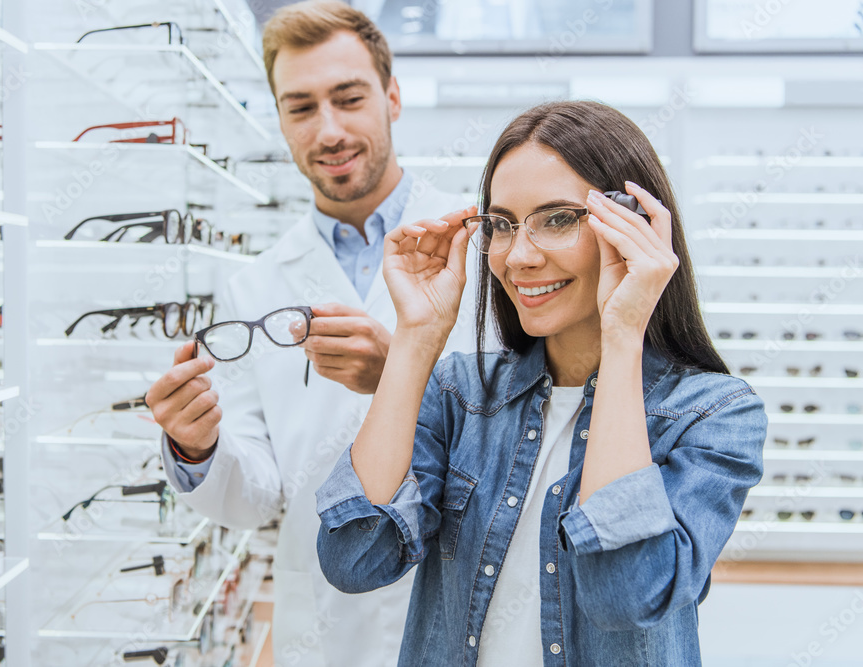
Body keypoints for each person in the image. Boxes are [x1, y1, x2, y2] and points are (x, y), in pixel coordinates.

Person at [315, 100, 768, 666]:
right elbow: (356, 558)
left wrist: (624, 334)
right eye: (502, 225)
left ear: (631, 228)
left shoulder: (714, 415)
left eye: (556, 219)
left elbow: (626, 592)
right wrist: (417, 337)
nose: (520, 257)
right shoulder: (460, 395)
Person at [144, 3, 478, 666]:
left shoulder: (479, 245)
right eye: (300, 108)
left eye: (348, 99)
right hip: (328, 623)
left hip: (462, 594)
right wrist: (197, 445)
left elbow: (526, 432)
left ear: (392, 98)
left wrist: (401, 370)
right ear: (280, 119)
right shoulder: (257, 287)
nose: (328, 129)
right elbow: (259, 491)